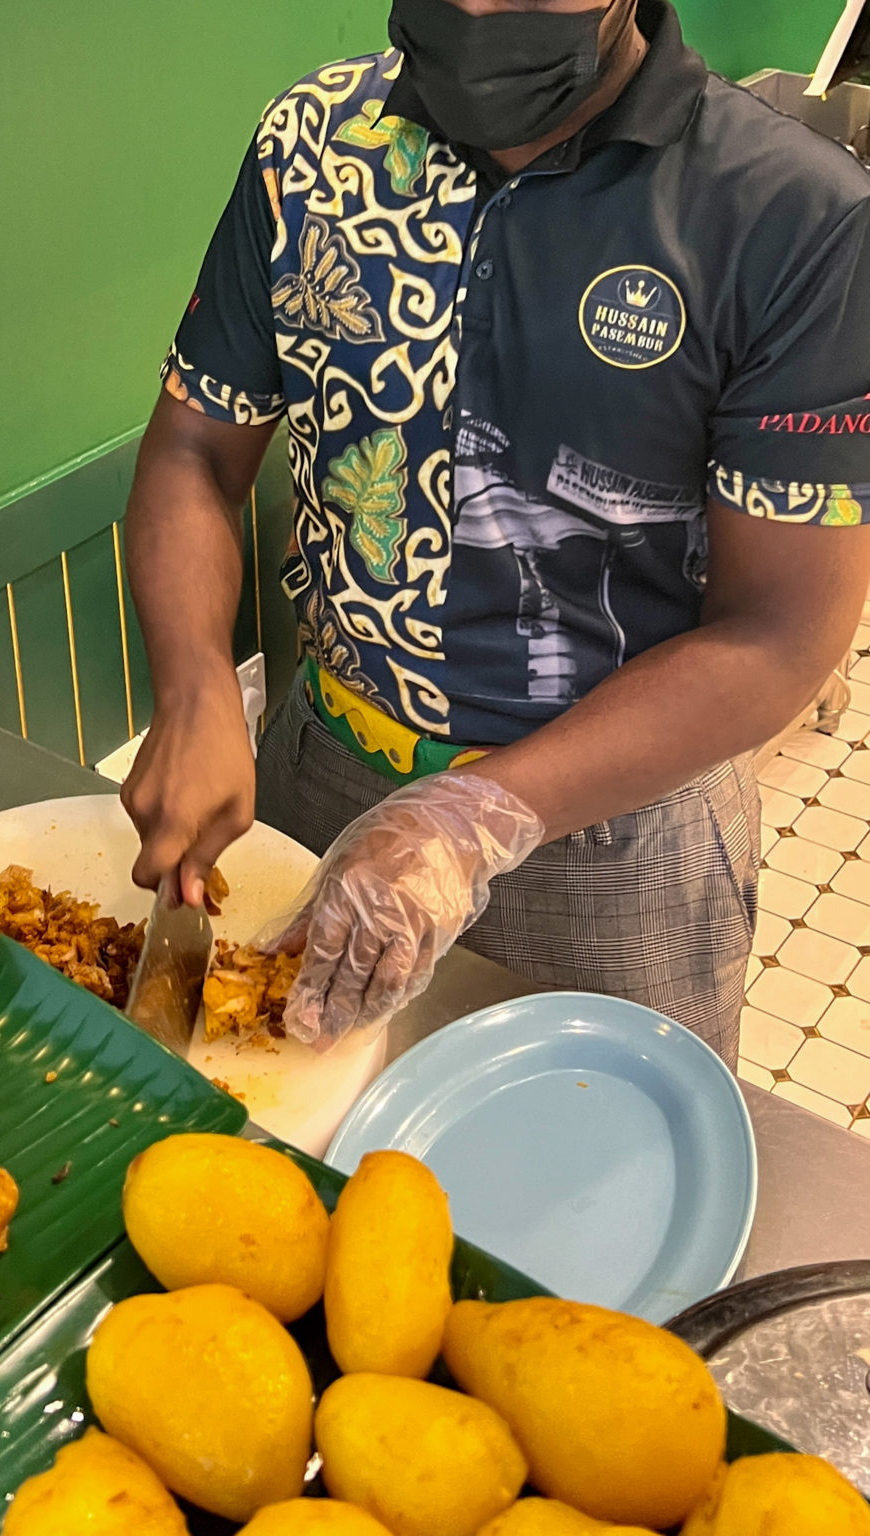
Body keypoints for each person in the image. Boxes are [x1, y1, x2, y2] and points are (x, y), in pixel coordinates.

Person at [120, 0, 870, 1068]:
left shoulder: (795, 219)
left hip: (615, 846)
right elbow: (194, 450)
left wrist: (470, 818)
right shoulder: (310, 146)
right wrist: (194, 688)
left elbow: (785, 632)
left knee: (586, 1209)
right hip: (316, 780)